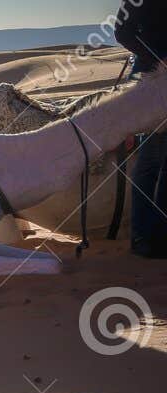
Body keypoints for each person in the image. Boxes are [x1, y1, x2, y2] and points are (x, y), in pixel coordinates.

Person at [117, 0, 166, 257]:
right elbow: (122, 31)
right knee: (151, 159)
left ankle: (157, 236)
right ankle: (143, 237)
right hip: (150, 78)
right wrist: (160, 58)